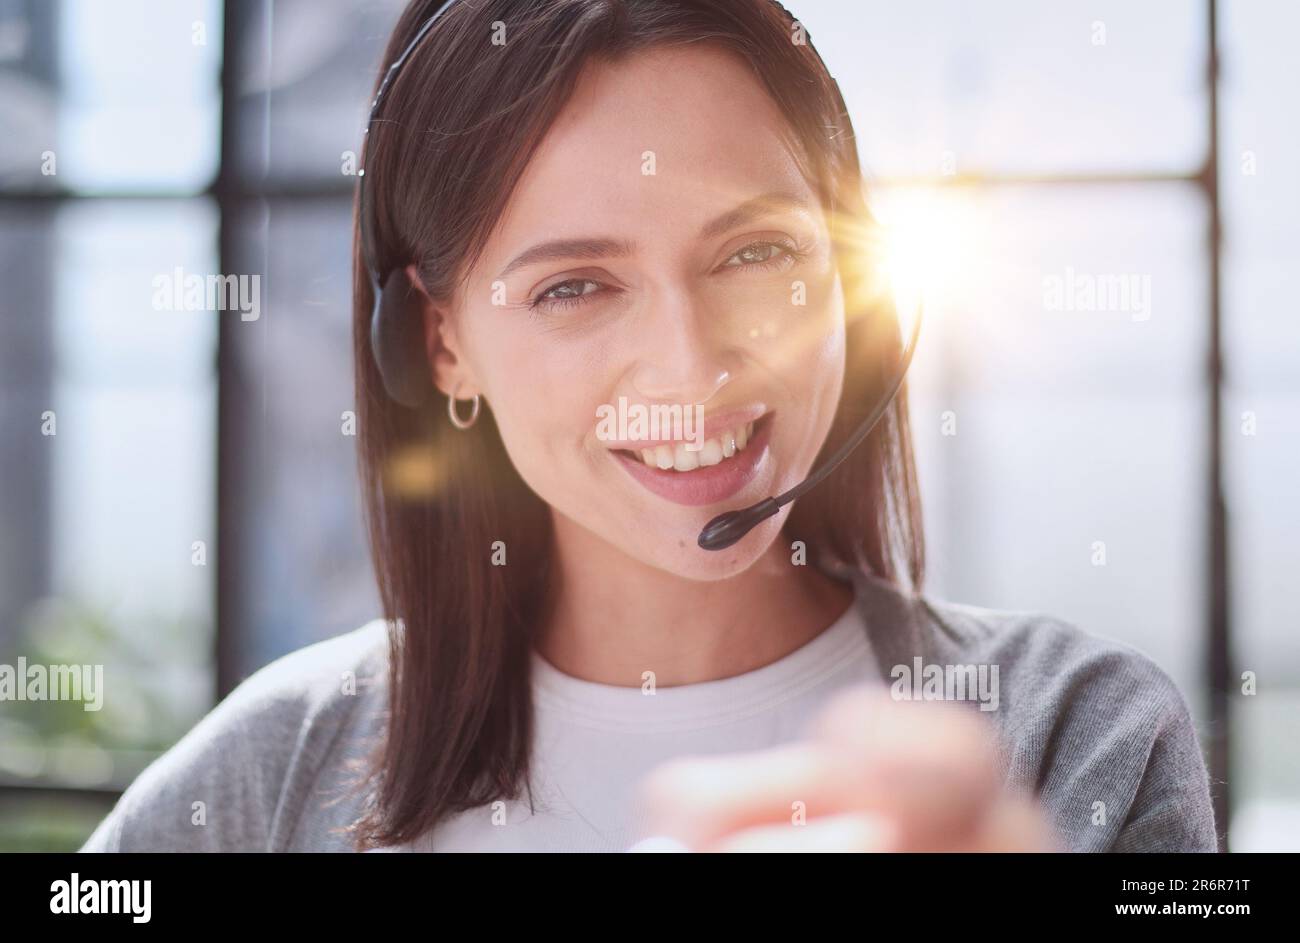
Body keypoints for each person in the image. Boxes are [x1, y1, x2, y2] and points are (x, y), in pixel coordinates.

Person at [81, 0, 1217, 853]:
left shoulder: (1079, 735)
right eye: (574, 287)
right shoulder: (267, 774)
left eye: (756, 253)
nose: (694, 366)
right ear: (440, 346)